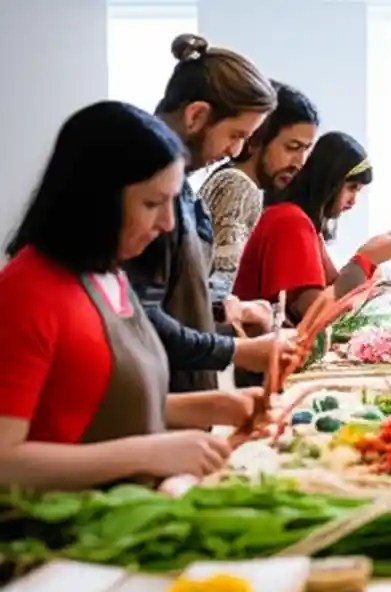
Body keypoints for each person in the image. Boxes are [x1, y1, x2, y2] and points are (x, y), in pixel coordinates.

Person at [0, 101, 258, 489]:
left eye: (171, 202)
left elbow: (96, 405)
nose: (167, 223)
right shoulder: (27, 292)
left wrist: (212, 406)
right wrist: (147, 452)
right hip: (59, 534)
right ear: (96, 199)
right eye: (152, 203)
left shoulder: (111, 277)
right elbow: (5, 460)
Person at [125, 33, 287, 393]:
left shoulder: (181, 187)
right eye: (236, 134)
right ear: (196, 115)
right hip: (156, 404)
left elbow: (172, 298)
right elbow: (138, 317)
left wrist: (224, 308)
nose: (236, 151)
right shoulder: (142, 184)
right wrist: (236, 349)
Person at [233, 131, 391, 323]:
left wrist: (370, 273)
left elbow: (334, 293)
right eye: (352, 188)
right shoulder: (290, 221)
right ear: (329, 181)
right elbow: (315, 315)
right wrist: (364, 261)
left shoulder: (305, 225)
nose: (354, 201)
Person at [201, 81, 320, 301]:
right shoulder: (237, 185)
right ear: (257, 139)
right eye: (292, 148)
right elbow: (225, 281)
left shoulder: (241, 184)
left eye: (306, 150)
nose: (299, 162)